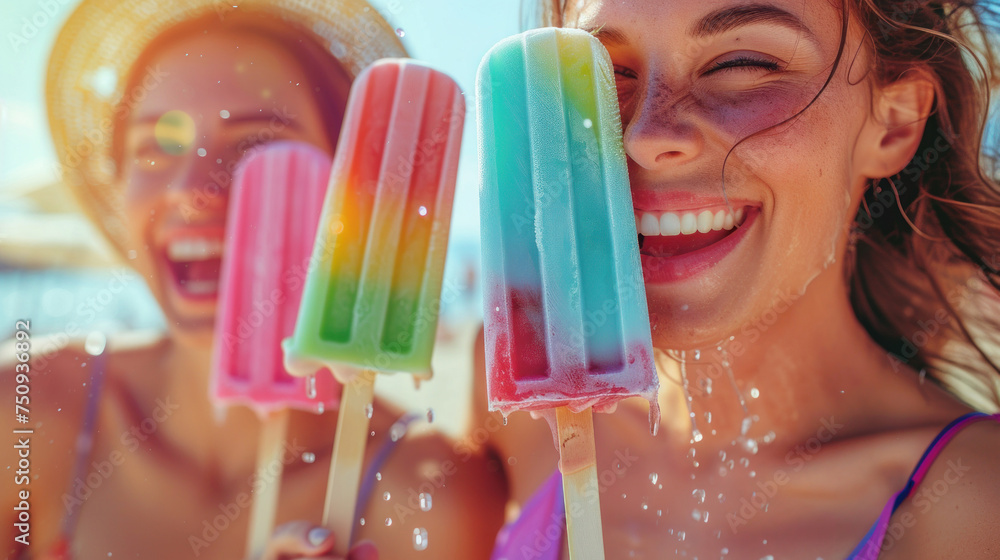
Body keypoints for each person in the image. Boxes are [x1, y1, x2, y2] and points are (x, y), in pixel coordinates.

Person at [478, 0, 1000, 558]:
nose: (647, 137)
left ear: (894, 123)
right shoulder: (522, 426)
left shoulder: (975, 505)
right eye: (605, 71)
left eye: (743, 63)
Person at [1, 1, 505, 558]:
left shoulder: (432, 492)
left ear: (360, 194)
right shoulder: (25, 408)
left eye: (256, 144)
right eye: (154, 147)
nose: (192, 190)